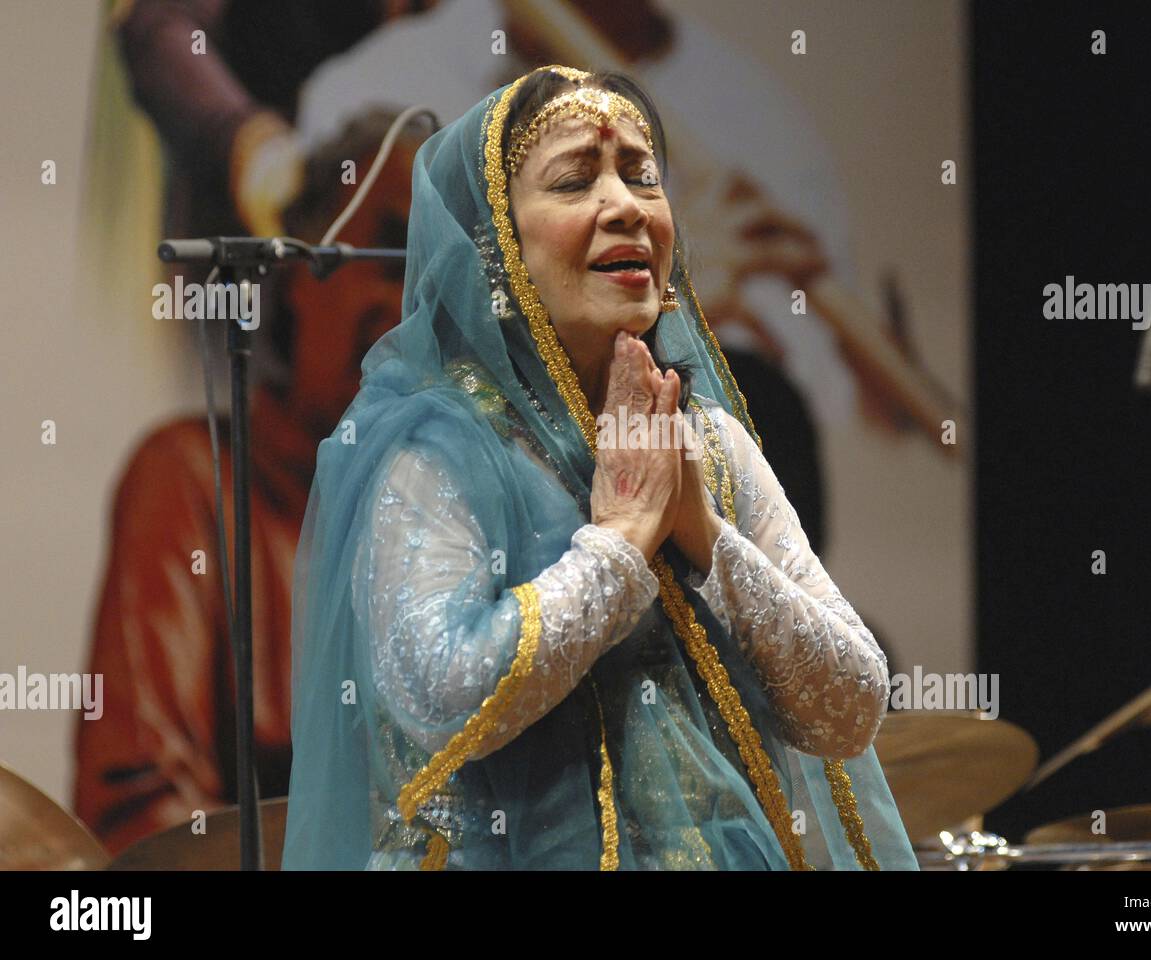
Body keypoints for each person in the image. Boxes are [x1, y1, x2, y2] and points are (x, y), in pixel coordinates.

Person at [281, 65, 917, 870]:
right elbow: (440, 697)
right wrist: (619, 548)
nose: (626, 206)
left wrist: (702, 532)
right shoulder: (438, 448)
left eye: (643, 178)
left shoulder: (707, 444)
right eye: (577, 181)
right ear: (496, 245)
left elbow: (853, 706)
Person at [74, 108, 430, 855]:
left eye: (441, 280)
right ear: (296, 273)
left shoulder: (462, 518)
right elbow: (144, 811)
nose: (412, 308)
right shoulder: (189, 476)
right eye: (390, 256)